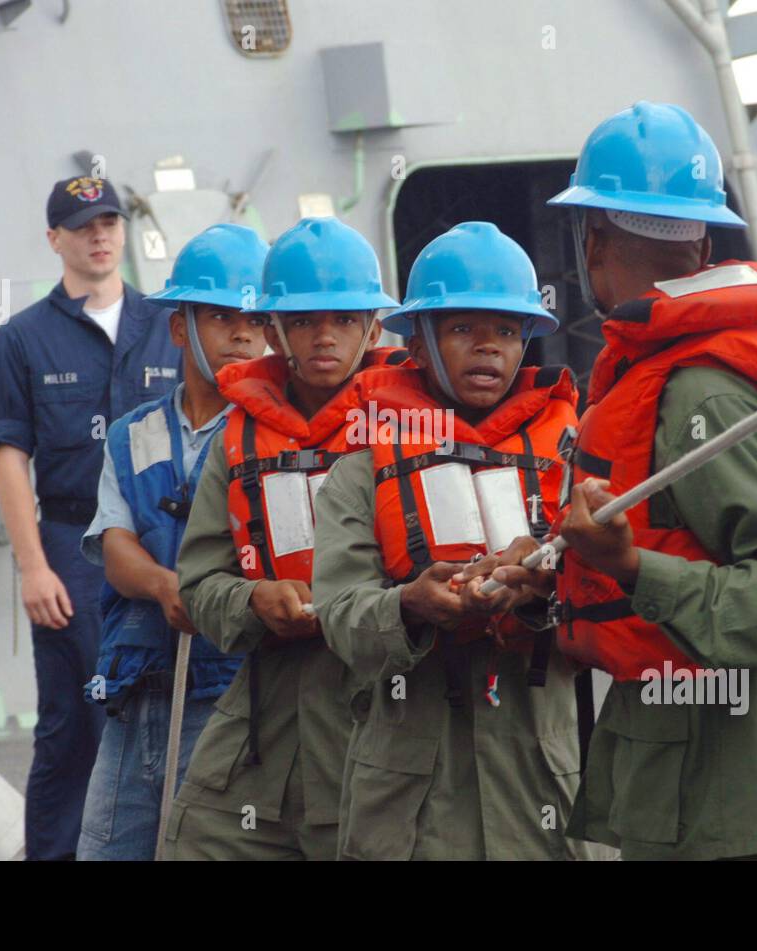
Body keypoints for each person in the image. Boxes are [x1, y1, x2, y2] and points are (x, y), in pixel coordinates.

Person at [472, 101, 757, 860]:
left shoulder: (699, 394)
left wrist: (627, 566)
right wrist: (552, 574)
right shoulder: (673, 376)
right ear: (703, 240)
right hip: (687, 788)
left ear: (595, 239)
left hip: (733, 799)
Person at [311, 221, 601, 860]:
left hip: (543, 778)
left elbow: (613, 598)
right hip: (410, 801)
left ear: (526, 339)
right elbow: (339, 617)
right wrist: (408, 605)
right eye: (463, 328)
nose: (488, 348)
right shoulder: (358, 471)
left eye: (504, 330)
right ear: (417, 340)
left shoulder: (573, 459)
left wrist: (539, 592)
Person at [161, 216, 402, 860]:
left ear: (373, 329)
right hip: (271, 709)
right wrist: (254, 600)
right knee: (198, 841)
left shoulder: (414, 427)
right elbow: (201, 583)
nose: (324, 336)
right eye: (303, 320)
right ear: (272, 331)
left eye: (344, 319)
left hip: (392, 702)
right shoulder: (237, 438)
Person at [0, 176, 180, 860]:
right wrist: (32, 567)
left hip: (163, 539)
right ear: (54, 239)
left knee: (171, 706)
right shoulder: (23, 338)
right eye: (83, 225)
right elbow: (11, 457)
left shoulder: (169, 325)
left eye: (109, 222)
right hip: (71, 544)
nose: (100, 235)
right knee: (74, 722)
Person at [75, 224, 268, 860]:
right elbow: (115, 540)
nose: (242, 333)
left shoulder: (277, 438)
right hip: (138, 692)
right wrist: (165, 586)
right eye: (220, 317)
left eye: (256, 319)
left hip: (233, 694)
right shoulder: (133, 433)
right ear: (180, 327)